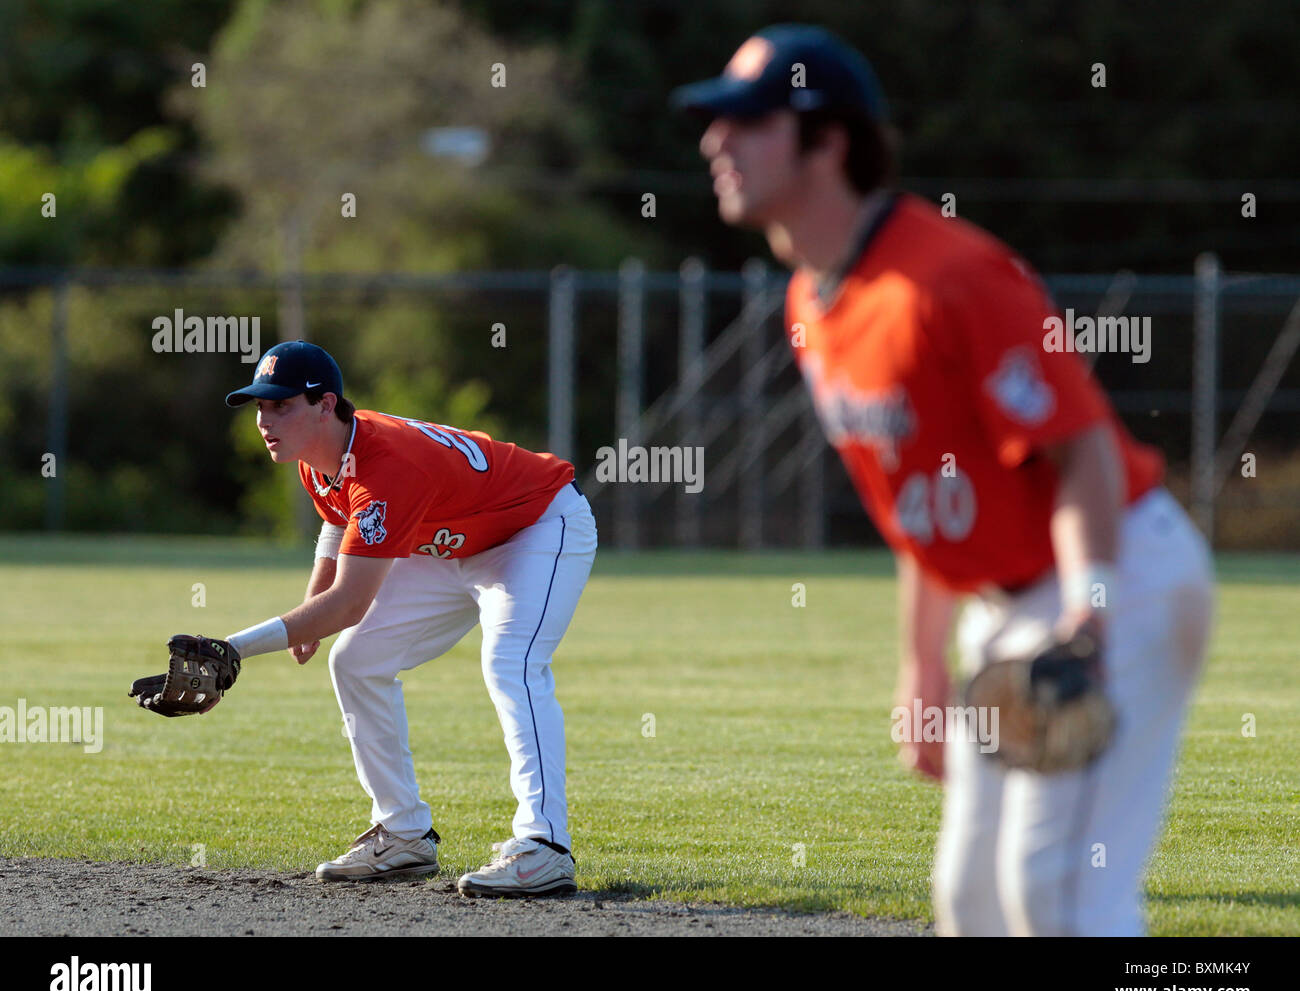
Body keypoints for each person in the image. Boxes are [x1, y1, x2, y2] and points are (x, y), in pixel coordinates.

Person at [673, 24, 1214, 935]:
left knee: (1055, 890)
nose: (714, 141)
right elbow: (923, 503)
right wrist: (921, 662)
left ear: (827, 138)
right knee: (970, 900)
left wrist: (1088, 617)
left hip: (1119, 576)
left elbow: (1079, 452)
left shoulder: (950, 277)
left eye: (748, 120)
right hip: (1001, 608)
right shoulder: (814, 300)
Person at [220, 340, 596, 897]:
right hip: (450, 543)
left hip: (537, 526)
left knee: (511, 664)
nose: (264, 420)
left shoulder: (386, 464)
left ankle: (545, 846)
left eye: (281, 405)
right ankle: (403, 834)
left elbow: (351, 602)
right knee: (356, 660)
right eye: (259, 406)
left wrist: (232, 648)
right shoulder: (318, 459)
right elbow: (337, 522)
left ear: (326, 405)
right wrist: (309, 608)